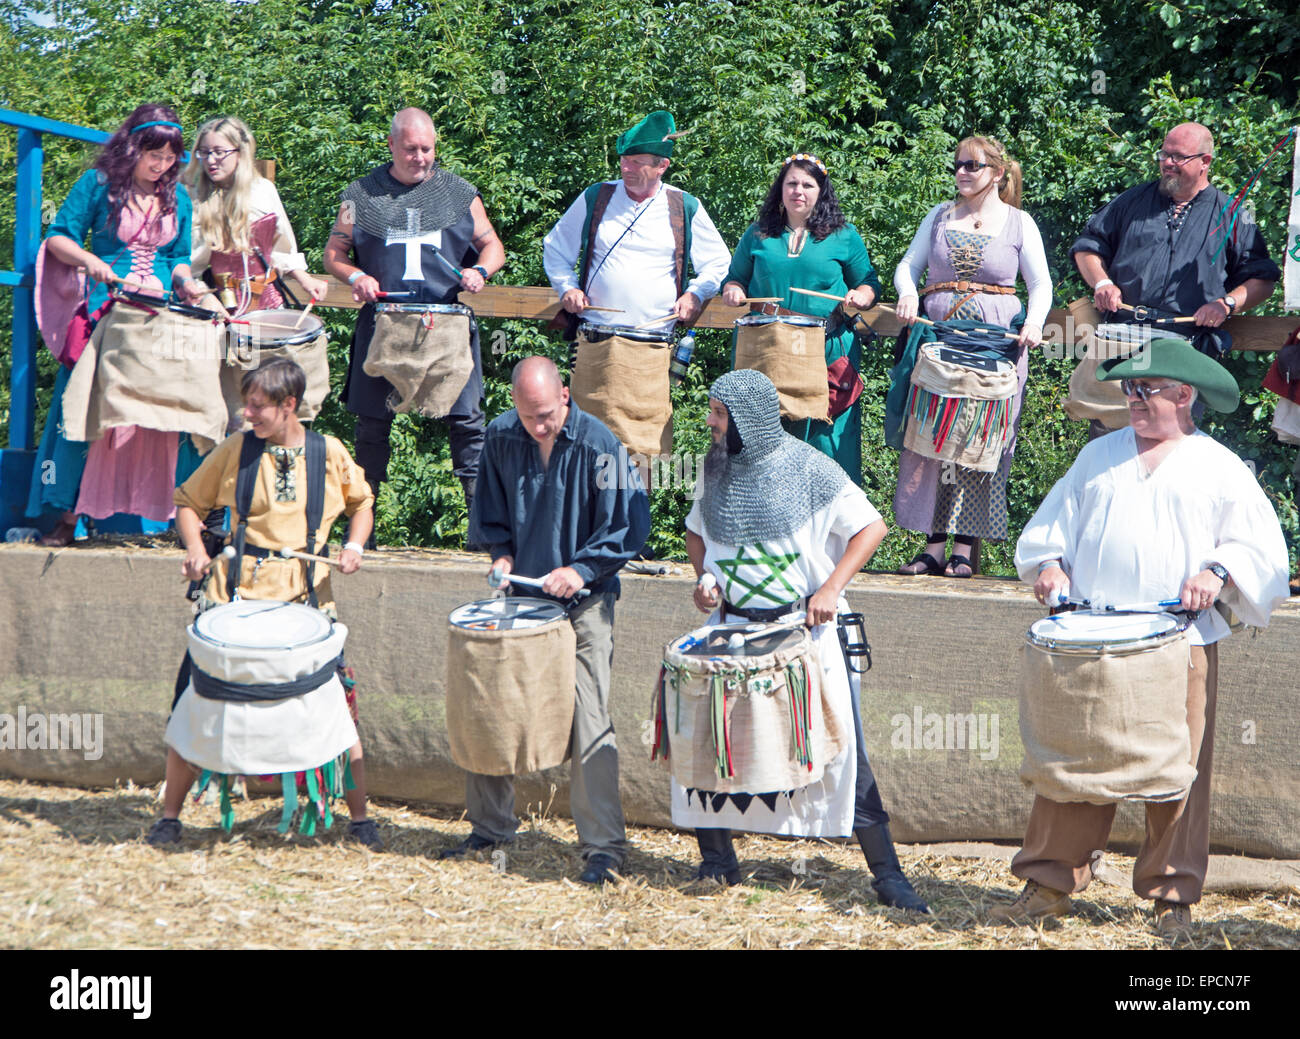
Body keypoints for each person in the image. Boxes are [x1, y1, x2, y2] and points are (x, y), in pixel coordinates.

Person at [999, 337, 1289, 933]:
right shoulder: (1096, 457)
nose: (1132, 401)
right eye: (1128, 390)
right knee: (1076, 763)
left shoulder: (1219, 466)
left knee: (1178, 770)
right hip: (1091, 640)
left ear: (1184, 396)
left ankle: (1173, 897)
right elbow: (1050, 528)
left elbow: (1260, 547)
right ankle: (1049, 885)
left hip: (1178, 645)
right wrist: (1050, 564)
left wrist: (1217, 569)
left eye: (1145, 391)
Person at [676, 369, 928, 911]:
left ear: (748, 420)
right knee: (715, 743)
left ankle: (888, 877)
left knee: (843, 753)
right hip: (734, 631)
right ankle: (717, 863)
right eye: (713, 412)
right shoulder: (713, 469)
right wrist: (705, 578)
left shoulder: (808, 468)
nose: (711, 423)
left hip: (805, 636)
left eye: (719, 414)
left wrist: (833, 588)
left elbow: (871, 526)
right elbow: (697, 531)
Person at [148, 357, 381, 849]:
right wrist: (194, 549)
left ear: (288, 405)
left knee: (334, 712)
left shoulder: (329, 452)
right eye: (246, 404)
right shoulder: (235, 449)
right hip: (232, 600)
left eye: (257, 406)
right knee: (196, 707)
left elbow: (362, 501)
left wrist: (354, 547)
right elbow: (188, 501)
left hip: (306, 605)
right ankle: (170, 817)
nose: (247, 414)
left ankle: (361, 820)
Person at [441, 356, 650, 884]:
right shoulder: (500, 437)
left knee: (588, 717)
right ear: (514, 404)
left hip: (585, 603)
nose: (538, 426)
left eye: (546, 415)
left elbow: (629, 526)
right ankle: (490, 830)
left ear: (565, 396)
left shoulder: (601, 445)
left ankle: (603, 847)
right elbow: (489, 513)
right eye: (528, 414)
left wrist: (581, 569)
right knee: (491, 703)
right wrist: (502, 555)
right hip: (521, 602)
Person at [28, 103, 209, 546]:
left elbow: (177, 257)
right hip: (108, 308)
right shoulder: (99, 184)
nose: (163, 166)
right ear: (133, 147)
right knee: (89, 405)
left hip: (162, 315)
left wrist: (189, 285)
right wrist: (92, 263)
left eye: (170, 158)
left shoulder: (177, 195)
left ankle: (177, 518)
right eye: (155, 156)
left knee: (169, 410)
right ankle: (67, 517)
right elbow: (58, 237)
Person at [323, 107, 505, 536]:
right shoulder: (361, 195)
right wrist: (357, 276)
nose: (420, 157)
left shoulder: (460, 194)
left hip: (446, 324)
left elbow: (493, 246)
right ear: (391, 145)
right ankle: (362, 532)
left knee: (467, 425)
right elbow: (334, 254)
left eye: (427, 149)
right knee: (372, 426)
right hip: (385, 323)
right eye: (410, 149)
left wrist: (480, 271)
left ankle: (483, 537)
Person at [892, 135, 1052, 578]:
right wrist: (907, 293)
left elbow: (1040, 284)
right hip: (940, 339)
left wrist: (1035, 323)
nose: (962, 172)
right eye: (958, 165)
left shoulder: (1020, 223)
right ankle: (933, 546)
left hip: (995, 346)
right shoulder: (939, 216)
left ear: (997, 173)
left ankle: (964, 545)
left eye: (973, 165)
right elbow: (908, 266)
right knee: (934, 438)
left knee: (982, 441)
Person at [542, 110, 730, 477]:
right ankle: (587, 531)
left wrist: (694, 294)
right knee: (585, 451)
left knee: (641, 457)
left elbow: (718, 263)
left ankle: (630, 531)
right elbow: (555, 248)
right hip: (595, 346)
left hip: (651, 351)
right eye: (624, 160)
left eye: (637, 163)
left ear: (662, 166)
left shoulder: (682, 205)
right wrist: (567, 288)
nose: (627, 169)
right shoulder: (597, 197)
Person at [1070, 121, 1280, 377]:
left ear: (1205, 161)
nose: (1167, 162)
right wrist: (1102, 283)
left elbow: (1263, 279)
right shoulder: (1131, 201)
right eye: (1164, 154)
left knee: (1174, 418)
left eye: (1178, 157)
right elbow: (1088, 246)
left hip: (1187, 350)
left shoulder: (1233, 216)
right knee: (1111, 417)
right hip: (1120, 342)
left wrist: (1226, 304)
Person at [720, 153, 880, 481]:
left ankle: (830, 528)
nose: (799, 191)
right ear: (780, 189)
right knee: (763, 445)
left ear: (821, 191)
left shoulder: (843, 236)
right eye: (791, 183)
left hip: (824, 351)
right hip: (766, 349)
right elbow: (734, 278)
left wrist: (862, 295)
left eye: (808, 184)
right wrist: (733, 290)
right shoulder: (758, 234)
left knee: (824, 444)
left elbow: (868, 281)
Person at [184, 115, 328, 317]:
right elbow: (189, 267)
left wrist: (305, 279)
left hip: (269, 303)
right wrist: (205, 298)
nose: (210, 160)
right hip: (221, 307)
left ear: (240, 153)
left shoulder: (263, 190)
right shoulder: (196, 200)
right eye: (204, 153)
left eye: (219, 152)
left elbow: (280, 250)